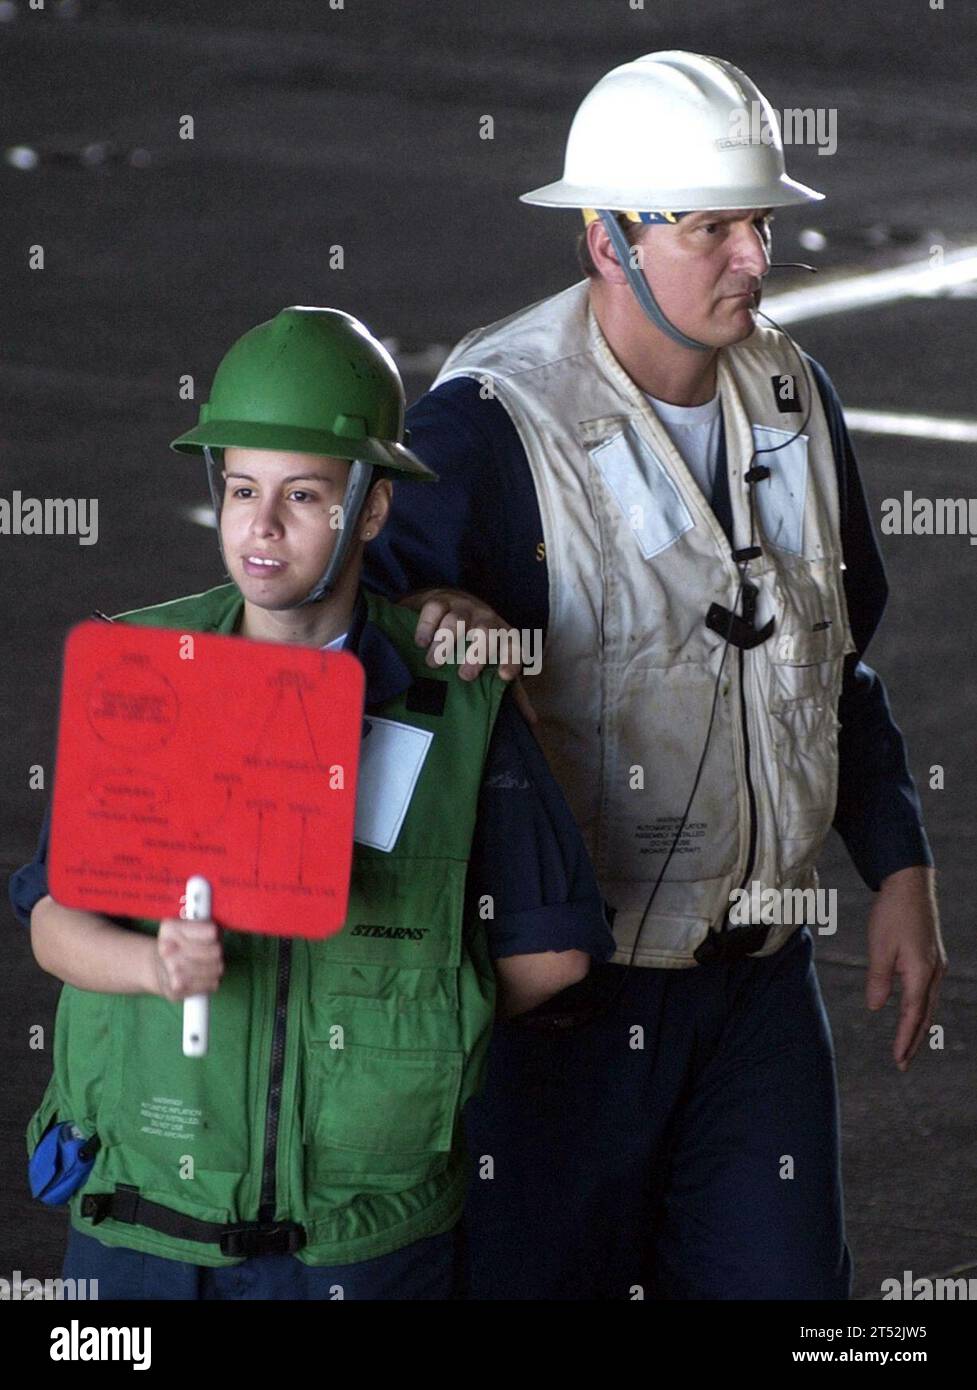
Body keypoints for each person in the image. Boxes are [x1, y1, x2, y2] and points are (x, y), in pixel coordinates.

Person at [361, 51, 947, 1299]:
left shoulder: (793, 395)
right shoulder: (484, 428)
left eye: (758, 223)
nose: (754, 257)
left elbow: (830, 657)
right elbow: (352, 671)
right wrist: (421, 618)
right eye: (710, 229)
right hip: (560, 1012)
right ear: (604, 240)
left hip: (756, 994)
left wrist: (895, 862)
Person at [9, 306, 614, 1301]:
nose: (261, 526)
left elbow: (553, 948)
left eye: (304, 495)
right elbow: (53, 920)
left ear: (371, 511)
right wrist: (154, 965)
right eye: (241, 488)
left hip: (359, 1245)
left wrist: (399, 1021)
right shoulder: (144, 669)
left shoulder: (453, 697)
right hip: (139, 1230)